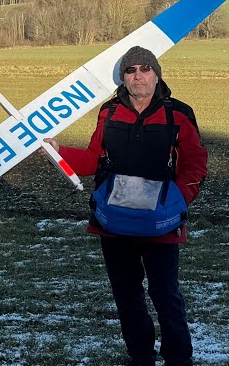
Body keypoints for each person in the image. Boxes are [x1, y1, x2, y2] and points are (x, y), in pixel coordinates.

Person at [45, 45, 208, 366]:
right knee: (127, 294)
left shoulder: (178, 113)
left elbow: (195, 165)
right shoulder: (109, 112)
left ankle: (178, 358)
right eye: (130, 70)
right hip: (115, 222)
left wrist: (175, 200)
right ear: (123, 77)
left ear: (157, 74)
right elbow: (92, 159)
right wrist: (58, 151)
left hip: (160, 222)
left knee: (165, 294)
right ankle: (140, 356)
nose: (138, 76)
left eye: (145, 69)